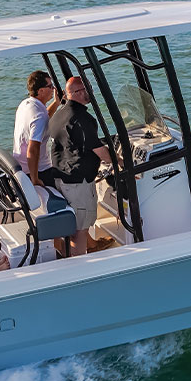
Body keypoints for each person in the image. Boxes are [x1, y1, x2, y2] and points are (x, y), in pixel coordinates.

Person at [47, 76, 112, 256]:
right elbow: (99, 149)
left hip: (61, 179)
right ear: (78, 92)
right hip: (78, 183)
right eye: (88, 88)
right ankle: (80, 268)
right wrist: (119, 162)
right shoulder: (82, 118)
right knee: (80, 231)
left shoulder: (59, 114)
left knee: (71, 228)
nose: (90, 91)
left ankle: (74, 257)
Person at [12, 70, 60, 188]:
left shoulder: (26, 104)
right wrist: (35, 179)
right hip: (38, 171)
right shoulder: (39, 116)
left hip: (20, 166)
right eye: (50, 86)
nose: (53, 89)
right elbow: (33, 149)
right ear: (41, 91)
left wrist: (56, 103)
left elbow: (43, 117)